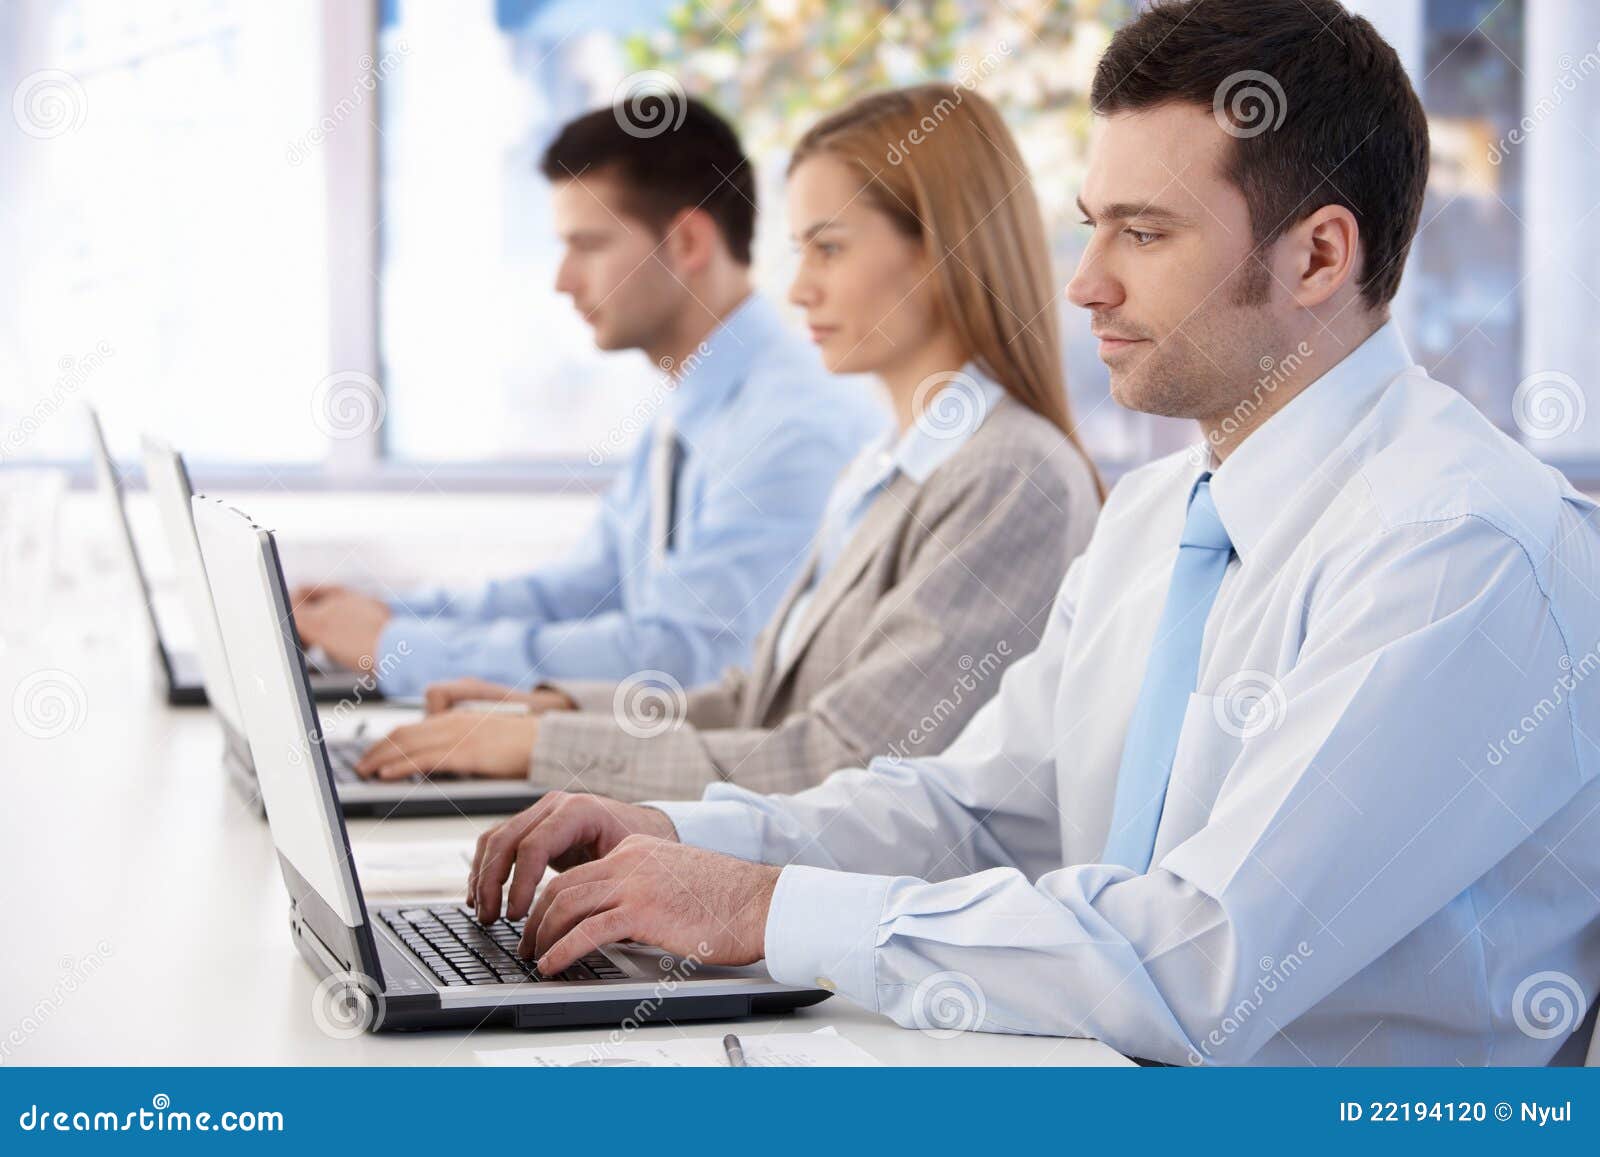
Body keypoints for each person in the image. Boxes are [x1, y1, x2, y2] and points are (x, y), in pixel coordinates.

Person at [458, 0, 1600, 1067]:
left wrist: (762, 906)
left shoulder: (1457, 548)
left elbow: (1200, 962)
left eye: (1144, 234)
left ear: (1317, 256)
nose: (1085, 285)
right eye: (1092, 227)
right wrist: (684, 833)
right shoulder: (1159, 514)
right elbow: (978, 812)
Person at [351, 87, 1102, 799]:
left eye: (829, 249)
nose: (799, 287)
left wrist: (543, 746)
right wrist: (552, 710)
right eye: (799, 250)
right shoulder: (884, 467)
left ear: (941, 249)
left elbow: (849, 760)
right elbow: (757, 699)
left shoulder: (1007, 475)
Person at [291, 99, 884, 698]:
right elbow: (583, 587)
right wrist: (392, 617)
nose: (562, 279)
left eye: (589, 245)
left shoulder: (792, 427)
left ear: (688, 243)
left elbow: (689, 658)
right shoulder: (691, 407)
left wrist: (394, 650)